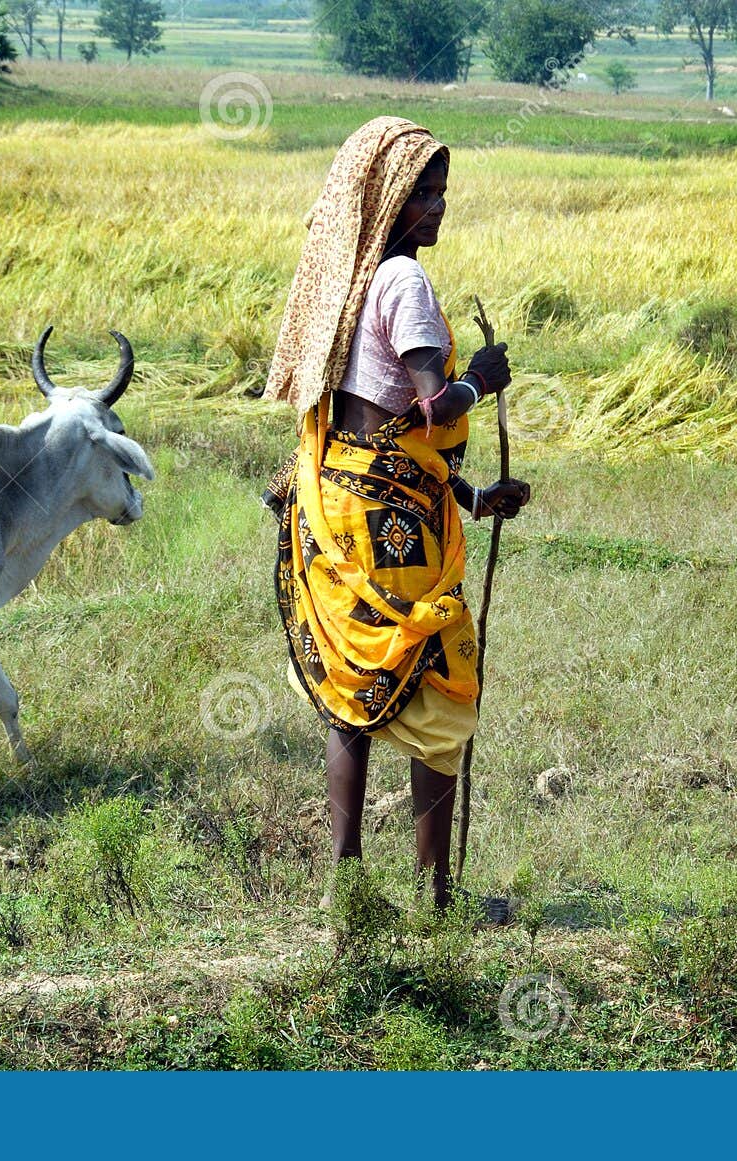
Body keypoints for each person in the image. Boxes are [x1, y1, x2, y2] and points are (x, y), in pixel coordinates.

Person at [262, 117, 532, 913]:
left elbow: (379, 433)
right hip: (393, 526)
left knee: (355, 691)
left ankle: (346, 890)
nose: (438, 206)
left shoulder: (350, 284)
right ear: (388, 199)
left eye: (442, 190)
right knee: (441, 679)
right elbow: (430, 405)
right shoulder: (403, 282)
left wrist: (476, 499)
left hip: (338, 510)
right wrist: (481, 380)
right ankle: (434, 896)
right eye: (422, 192)